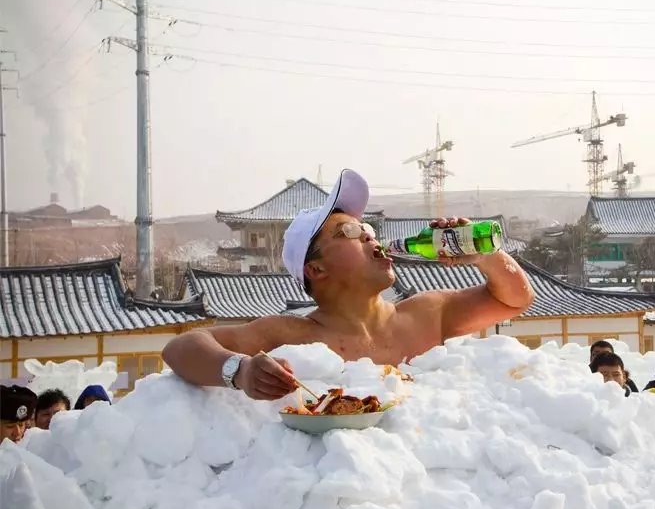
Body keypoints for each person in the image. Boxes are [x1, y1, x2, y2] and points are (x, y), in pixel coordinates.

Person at [162, 169, 535, 401]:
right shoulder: (291, 333)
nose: (372, 238)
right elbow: (182, 347)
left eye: (371, 231)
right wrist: (239, 371)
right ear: (316, 269)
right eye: (352, 232)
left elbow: (515, 299)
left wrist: (483, 254)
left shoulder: (426, 311)